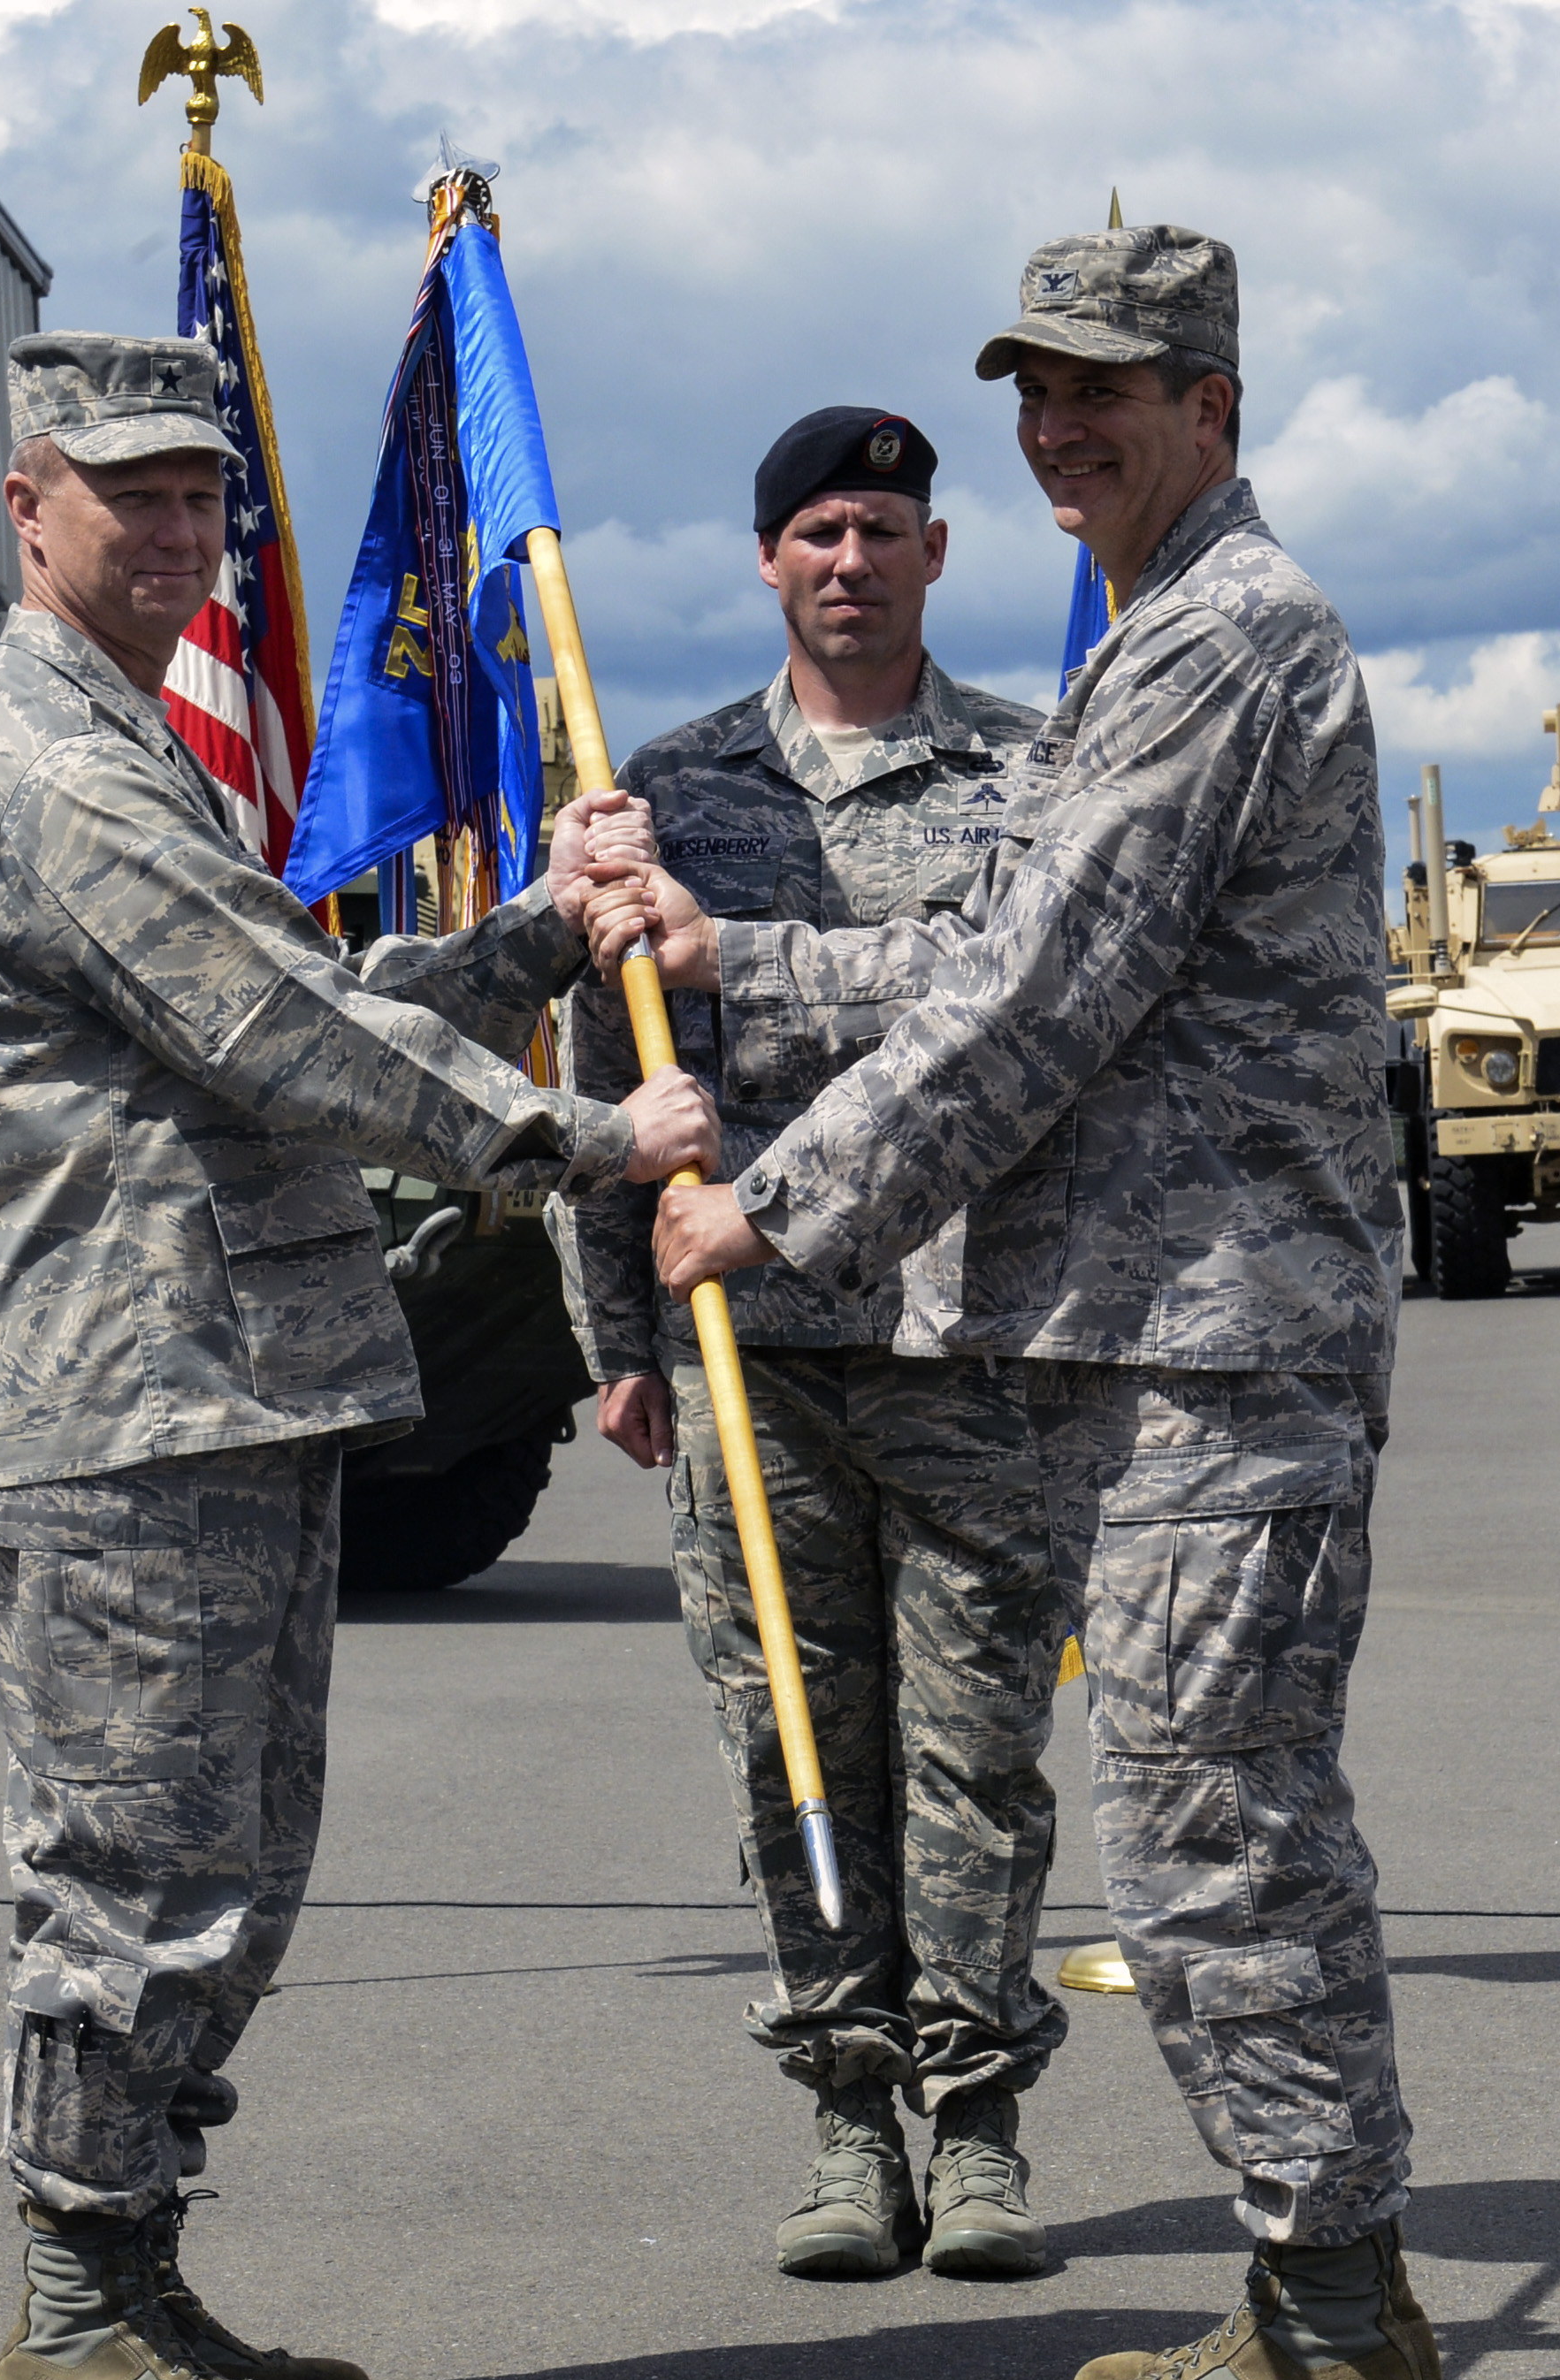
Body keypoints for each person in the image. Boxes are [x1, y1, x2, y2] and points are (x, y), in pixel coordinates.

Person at [607, 226, 1446, 2380]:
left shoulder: (1221, 642)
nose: (1065, 423)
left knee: (1217, 1836)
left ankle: (1328, 2312)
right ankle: (1331, 2281)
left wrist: (770, 1203)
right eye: (1040, 388)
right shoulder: (1150, 640)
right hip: (1160, 1344)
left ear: (1216, 408)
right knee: (1210, 1824)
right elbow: (982, 936)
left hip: (1220, 1343)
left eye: (1113, 386)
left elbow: (1033, 997)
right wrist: (740, 955)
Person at [0, 331, 716, 2380]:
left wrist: (536, 936)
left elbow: (298, 995)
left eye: (205, 503)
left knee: (234, 1859)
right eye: (133, 497)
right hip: (119, 1405)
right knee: (135, 1863)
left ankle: (137, 2260)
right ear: (31, 506)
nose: (180, 534)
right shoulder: (56, 764)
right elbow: (271, 1026)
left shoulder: (131, 745)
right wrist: (578, 1145)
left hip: (212, 1386)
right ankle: (69, 2313)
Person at [553, 408, 1072, 2281]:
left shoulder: (1035, 776)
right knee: (790, 1745)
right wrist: (613, 1330)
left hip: (964, 1341)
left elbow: (1024, 1003)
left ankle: (984, 2114)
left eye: (883, 528)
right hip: (744, 1346)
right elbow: (609, 1076)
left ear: (939, 554)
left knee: (981, 1750)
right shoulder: (669, 792)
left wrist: (741, 954)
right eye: (817, 533)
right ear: (769, 564)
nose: (850, 560)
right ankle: (850, 2120)